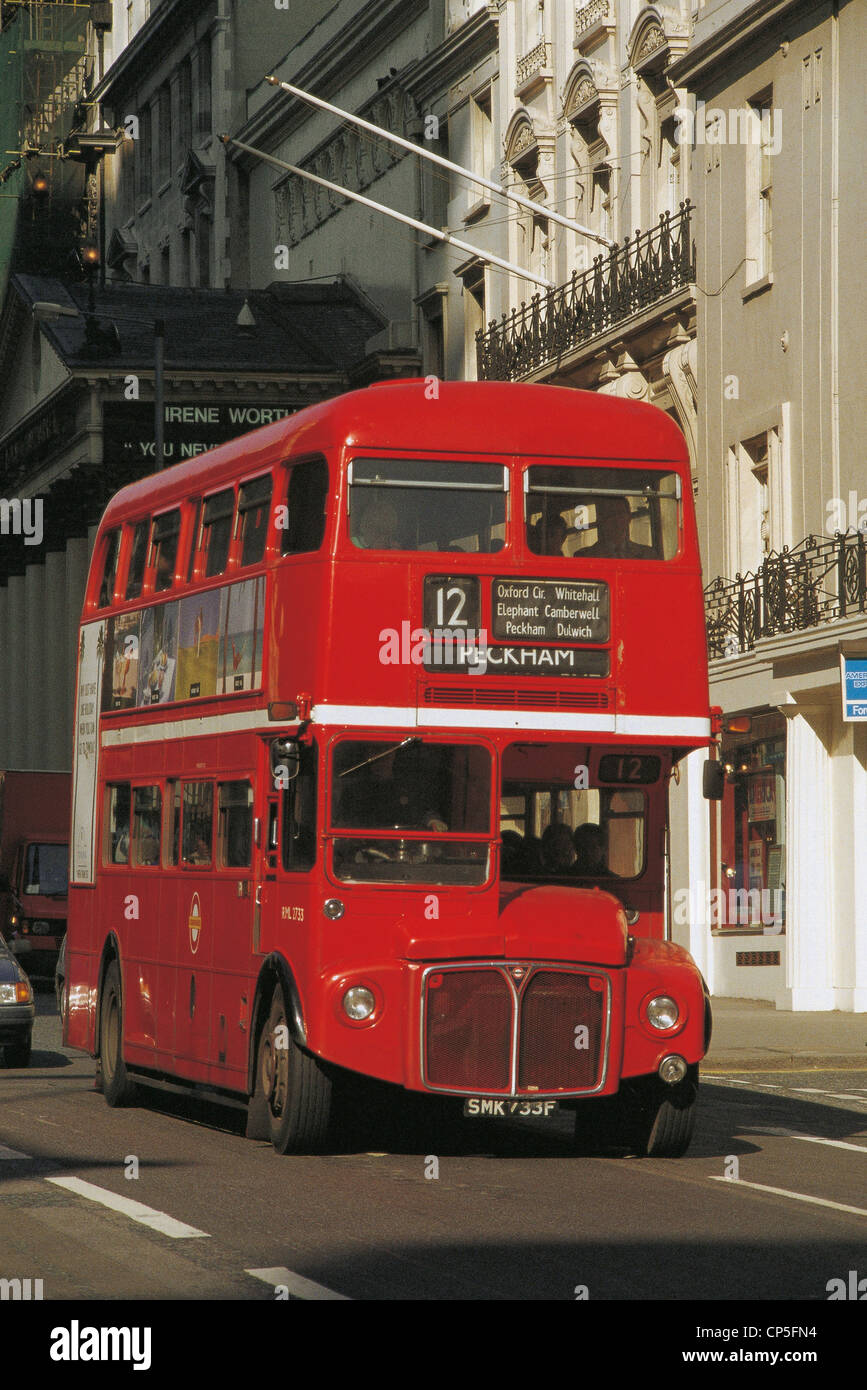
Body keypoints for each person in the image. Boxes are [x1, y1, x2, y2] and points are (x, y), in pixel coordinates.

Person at [579, 495, 656, 559]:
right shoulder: (586, 556)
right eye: (611, 514)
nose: (617, 521)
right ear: (601, 520)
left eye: (620, 514)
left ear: (628, 517)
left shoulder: (647, 555)